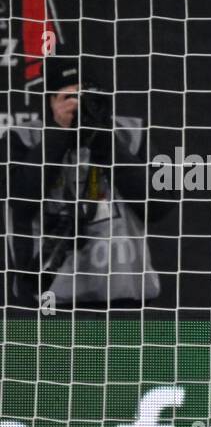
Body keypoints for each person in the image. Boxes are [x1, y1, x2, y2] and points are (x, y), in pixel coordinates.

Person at [7, 57, 162, 307]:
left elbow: (156, 205)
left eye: (86, 97)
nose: (79, 106)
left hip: (124, 295)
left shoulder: (131, 133)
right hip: (47, 299)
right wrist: (59, 131)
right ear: (50, 101)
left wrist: (102, 138)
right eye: (69, 98)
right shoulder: (23, 138)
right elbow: (20, 201)